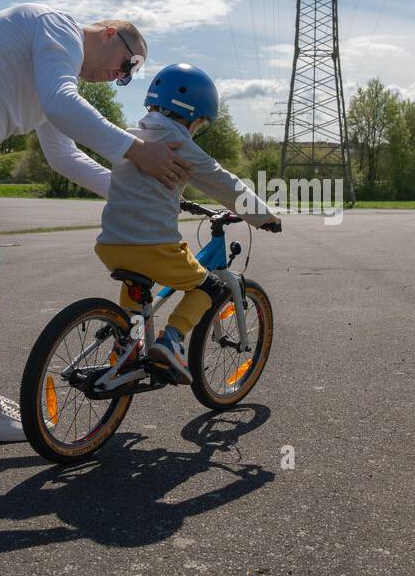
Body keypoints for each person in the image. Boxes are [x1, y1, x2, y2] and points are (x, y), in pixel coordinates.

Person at [0, 4, 192, 444]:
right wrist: (138, 151)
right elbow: (63, 103)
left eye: (129, 76)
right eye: (127, 64)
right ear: (107, 33)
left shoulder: (52, 75)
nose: (121, 77)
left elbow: (64, 157)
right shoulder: (58, 27)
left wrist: (133, 193)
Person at [94, 63, 281, 385]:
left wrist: (177, 200)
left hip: (109, 245)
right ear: (196, 117)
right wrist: (263, 216)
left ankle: (126, 348)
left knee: (136, 293)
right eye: (200, 126)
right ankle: (172, 340)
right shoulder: (179, 143)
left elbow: (140, 185)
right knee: (212, 286)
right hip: (151, 247)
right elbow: (223, 183)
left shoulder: (130, 136)